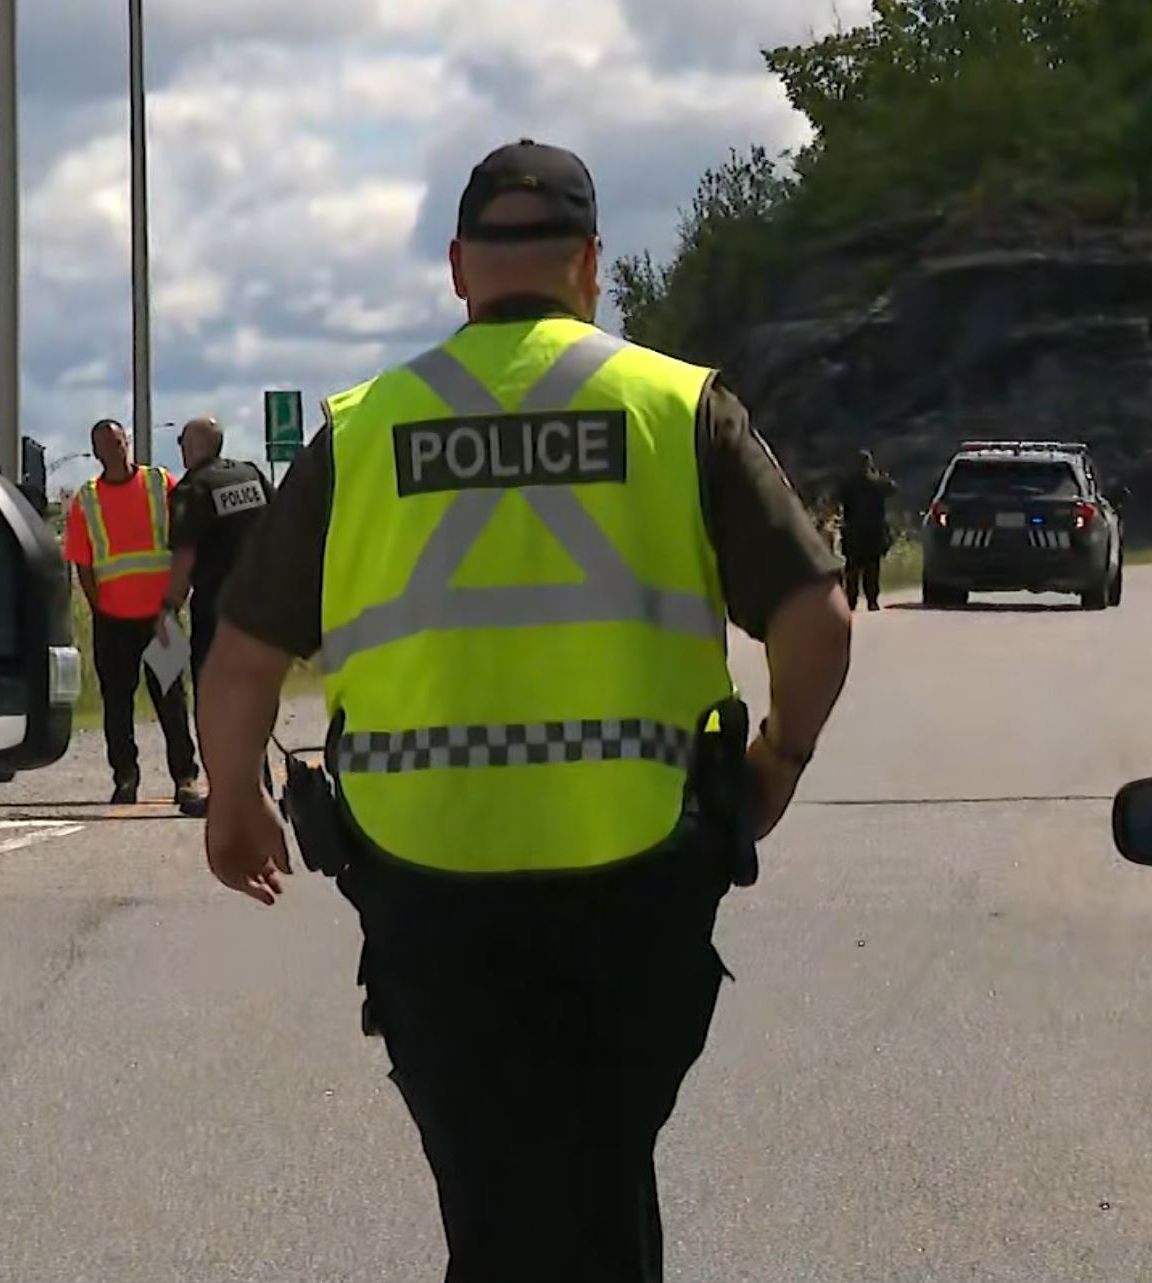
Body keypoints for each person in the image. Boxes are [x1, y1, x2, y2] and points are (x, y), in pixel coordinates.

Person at [197, 139, 854, 1282]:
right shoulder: (675, 408)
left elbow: (243, 656)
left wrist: (236, 801)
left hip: (426, 884)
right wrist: (777, 758)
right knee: (591, 1169)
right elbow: (817, 623)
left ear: (458, 268)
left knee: (502, 1186)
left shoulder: (364, 430)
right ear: (591, 266)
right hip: (637, 871)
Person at [61, 418, 204, 813]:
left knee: (172, 699)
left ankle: (185, 778)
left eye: (120, 441)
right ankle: (125, 777)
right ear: (96, 452)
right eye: (107, 445)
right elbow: (83, 564)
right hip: (113, 619)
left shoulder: (161, 484)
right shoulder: (86, 499)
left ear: (129, 442)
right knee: (117, 704)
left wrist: (178, 595)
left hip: (162, 615)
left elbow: (186, 539)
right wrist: (98, 606)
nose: (116, 449)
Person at [164, 414, 275, 804]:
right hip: (262, 610)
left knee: (216, 705)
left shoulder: (192, 489)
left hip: (218, 613)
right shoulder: (251, 475)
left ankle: (228, 793)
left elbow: (185, 558)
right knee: (254, 697)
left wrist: (169, 606)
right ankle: (260, 785)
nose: (179, 447)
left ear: (193, 445)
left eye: (181, 440)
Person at [835, 448, 898, 611]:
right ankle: (872, 600)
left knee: (852, 569)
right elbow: (892, 489)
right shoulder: (877, 482)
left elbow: (838, 498)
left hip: (854, 531)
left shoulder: (848, 483)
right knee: (872, 568)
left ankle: (851, 600)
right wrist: (880, 475)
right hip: (873, 531)